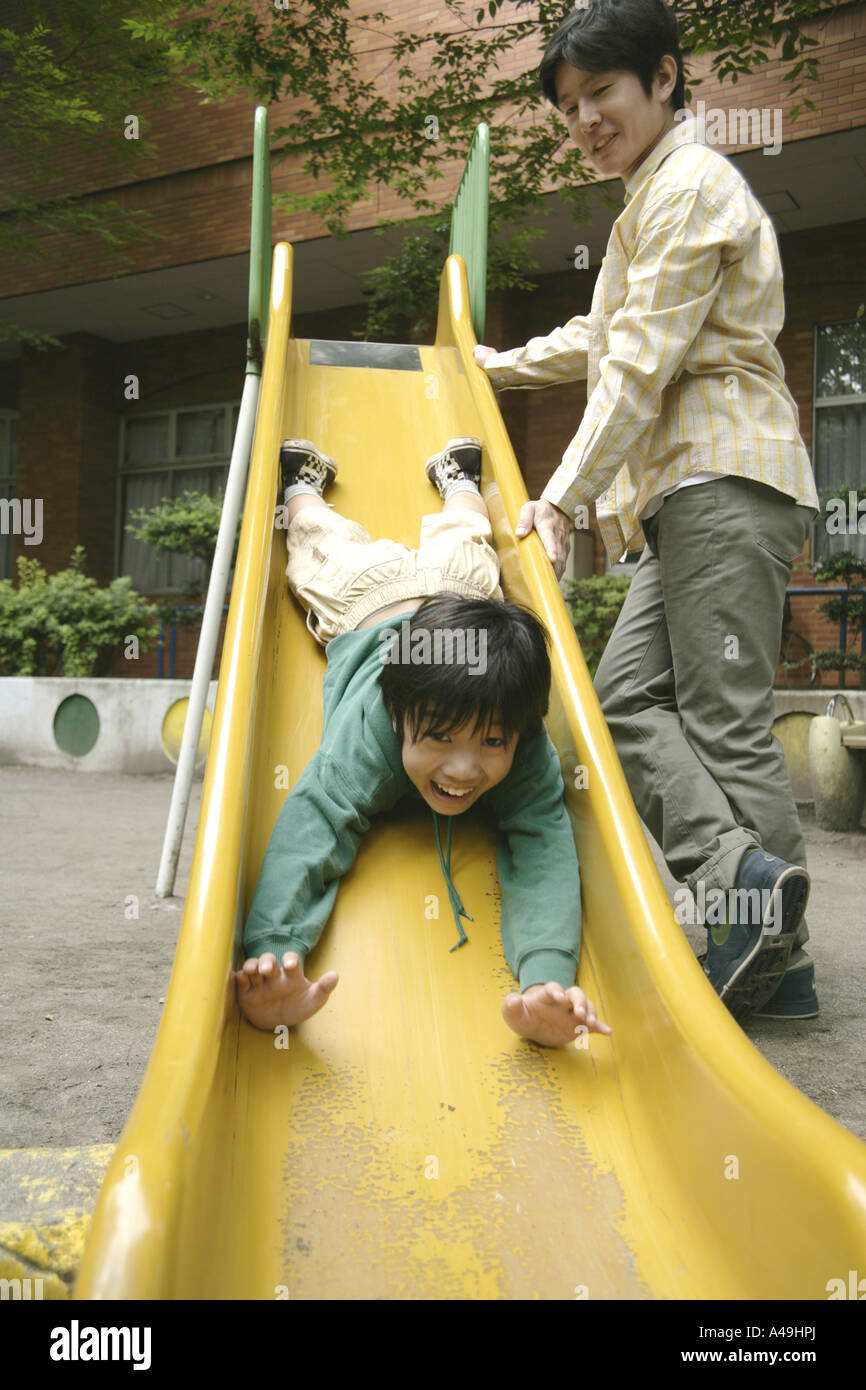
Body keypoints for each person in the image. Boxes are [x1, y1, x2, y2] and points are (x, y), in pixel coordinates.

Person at [473, 0, 820, 1023]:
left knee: (722, 722)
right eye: (567, 105)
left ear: (663, 79)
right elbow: (600, 332)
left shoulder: (694, 187)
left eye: (601, 94)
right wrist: (497, 366)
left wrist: (560, 498)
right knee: (621, 703)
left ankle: (773, 958)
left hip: (726, 480)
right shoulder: (649, 200)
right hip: (684, 498)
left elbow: (632, 366)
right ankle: (747, 895)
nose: (582, 120)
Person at [234, 435, 612, 1049]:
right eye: (437, 738)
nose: (463, 768)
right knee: (320, 547)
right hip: (369, 596)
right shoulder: (372, 731)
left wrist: (546, 977)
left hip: (459, 599)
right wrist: (274, 951)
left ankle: (459, 479)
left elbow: (544, 841)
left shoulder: (520, 729)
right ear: (397, 712)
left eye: (492, 743)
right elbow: (314, 823)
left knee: (468, 544)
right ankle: (303, 487)